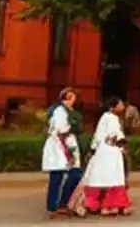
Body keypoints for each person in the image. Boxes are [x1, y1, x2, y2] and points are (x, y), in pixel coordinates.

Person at [84, 96, 133, 217]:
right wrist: (123, 144)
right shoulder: (112, 119)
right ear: (113, 107)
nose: (122, 106)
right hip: (111, 151)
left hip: (102, 151)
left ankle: (105, 205)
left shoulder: (105, 117)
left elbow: (97, 137)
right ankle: (110, 205)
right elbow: (114, 135)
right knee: (114, 178)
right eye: (120, 104)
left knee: (104, 178)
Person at [42, 87, 83, 219]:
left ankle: (63, 203)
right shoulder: (59, 111)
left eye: (73, 97)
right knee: (57, 177)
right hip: (60, 146)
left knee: (74, 175)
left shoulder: (70, 112)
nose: (72, 99)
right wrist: (68, 152)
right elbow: (61, 131)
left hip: (68, 144)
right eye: (69, 97)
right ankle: (53, 207)